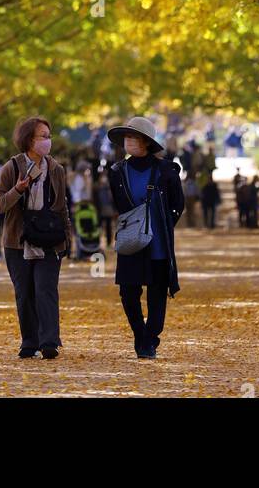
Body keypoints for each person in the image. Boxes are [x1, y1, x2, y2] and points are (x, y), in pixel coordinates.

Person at [107, 115, 184, 361]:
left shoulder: (166, 170)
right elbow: (117, 205)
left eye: (135, 138)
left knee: (157, 294)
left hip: (158, 244)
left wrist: (161, 225)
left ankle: (150, 339)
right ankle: (140, 335)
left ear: (147, 142)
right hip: (130, 241)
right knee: (128, 293)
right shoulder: (118, 171)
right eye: (127, 137)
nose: (129, 142)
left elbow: (177, 204)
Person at [0, 116, 70, 359]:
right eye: (43, 137)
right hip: (18, 240)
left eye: (49, 136)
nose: (48, 141)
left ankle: (49, 341)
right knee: (24, 292)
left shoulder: (56, 170)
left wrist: (67, 238)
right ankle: (30, 341)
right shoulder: (12, 168)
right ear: (29, 140)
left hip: (49, 238)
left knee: (45, 289)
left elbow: (62, 207)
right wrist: (18, 189)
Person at [94, 171, 115, 246]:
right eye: (102, 176)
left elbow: (112, 198)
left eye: (105, 176)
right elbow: (95, 198)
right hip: (99, 209)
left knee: (108, 226)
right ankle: (96, 242)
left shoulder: (109, 187)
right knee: (98, 226)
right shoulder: (96, 187)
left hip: (108, 208)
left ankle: (109, 243)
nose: (104, 178)